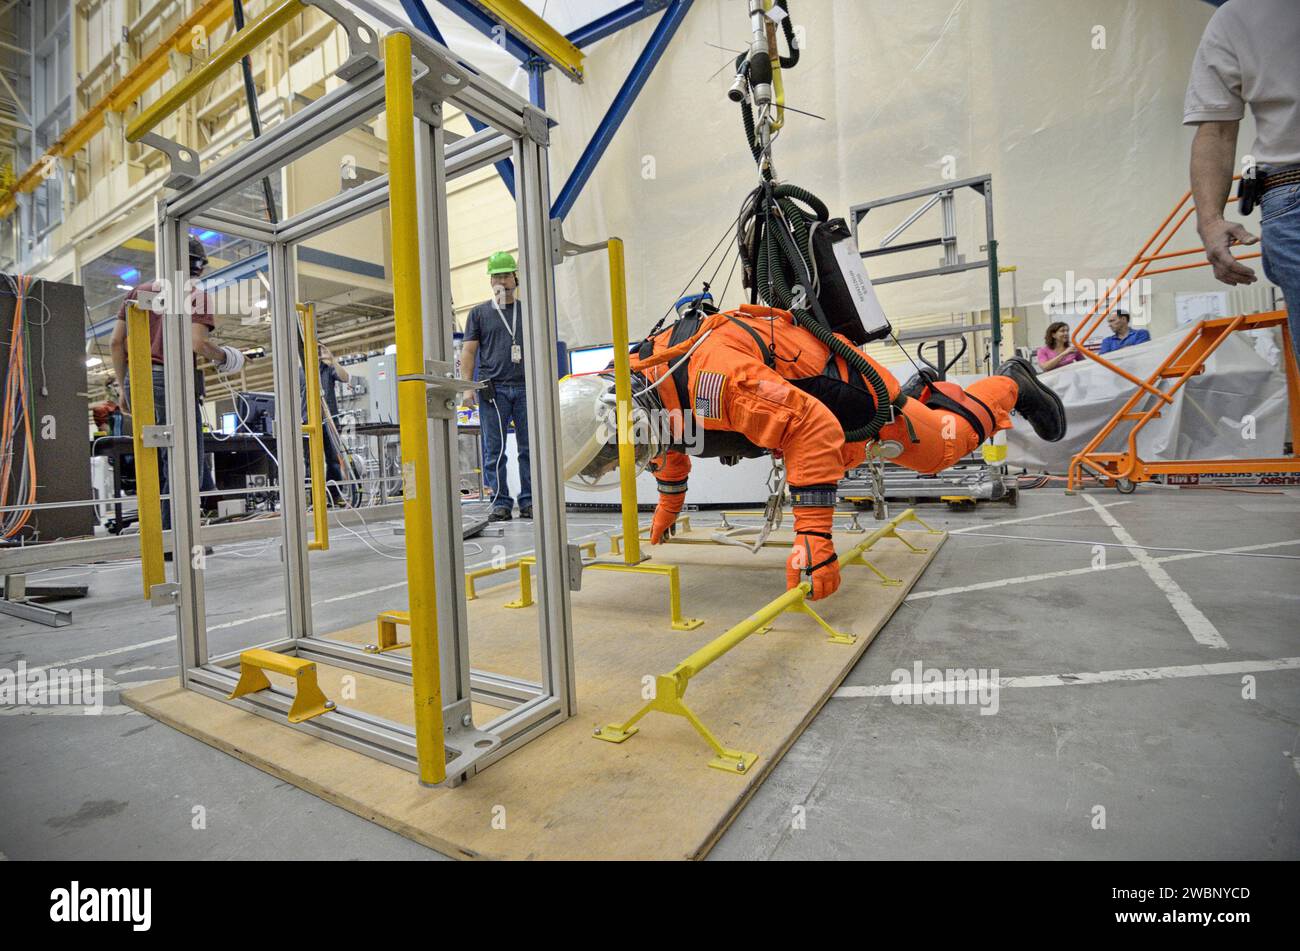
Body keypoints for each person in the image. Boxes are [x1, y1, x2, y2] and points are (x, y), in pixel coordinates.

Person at [560, 303, 1066, 601]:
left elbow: (810, 425)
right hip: (799, 392)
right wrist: (667, 509)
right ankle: (925, 393)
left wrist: (814, 537)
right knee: (844, 450)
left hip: (844, 389)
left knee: (939, 450)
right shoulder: (640, 384)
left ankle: (1011, 384)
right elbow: (667, 444)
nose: (633, 458)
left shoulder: (719, 382)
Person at [1185, 0, 1300, 367]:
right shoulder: (1236, 16)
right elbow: (1216, 129)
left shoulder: (1234, 15)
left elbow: (1216, 129)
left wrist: (1210, 221)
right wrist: (1209, 220)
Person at [109, 235, 245, 537]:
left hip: (137, 379)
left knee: (155, 459)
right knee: (185, 462)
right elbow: (198, 343)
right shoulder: (195, 295)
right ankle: (178, 539)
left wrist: (123, 387)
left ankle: (159, 537)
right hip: (170, 381)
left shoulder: (138, 292)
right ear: (198, 267)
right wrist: (227, 357)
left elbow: (116, 342)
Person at [461, 251, 531, 521]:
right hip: (493, 390)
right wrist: (468, 388)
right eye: (497, 276)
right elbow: (468, 352)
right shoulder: (479, 314)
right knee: (494, 450)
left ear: (515, 278)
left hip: (526, 388)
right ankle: (500, 502)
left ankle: (529, 501)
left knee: (529, 449)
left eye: (506, 275)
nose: (502, 281)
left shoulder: (529, 311)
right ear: (491, 281)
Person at [300, 342, 350, 503]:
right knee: (311, 462)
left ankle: (334, 495)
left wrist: (332, 359)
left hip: (329, 421)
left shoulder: (328, 369)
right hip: (309, 421)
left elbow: (345, 377)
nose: (316, 353)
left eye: (318, 349)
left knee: (333, 460)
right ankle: (313, 499)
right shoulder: (300, 372)